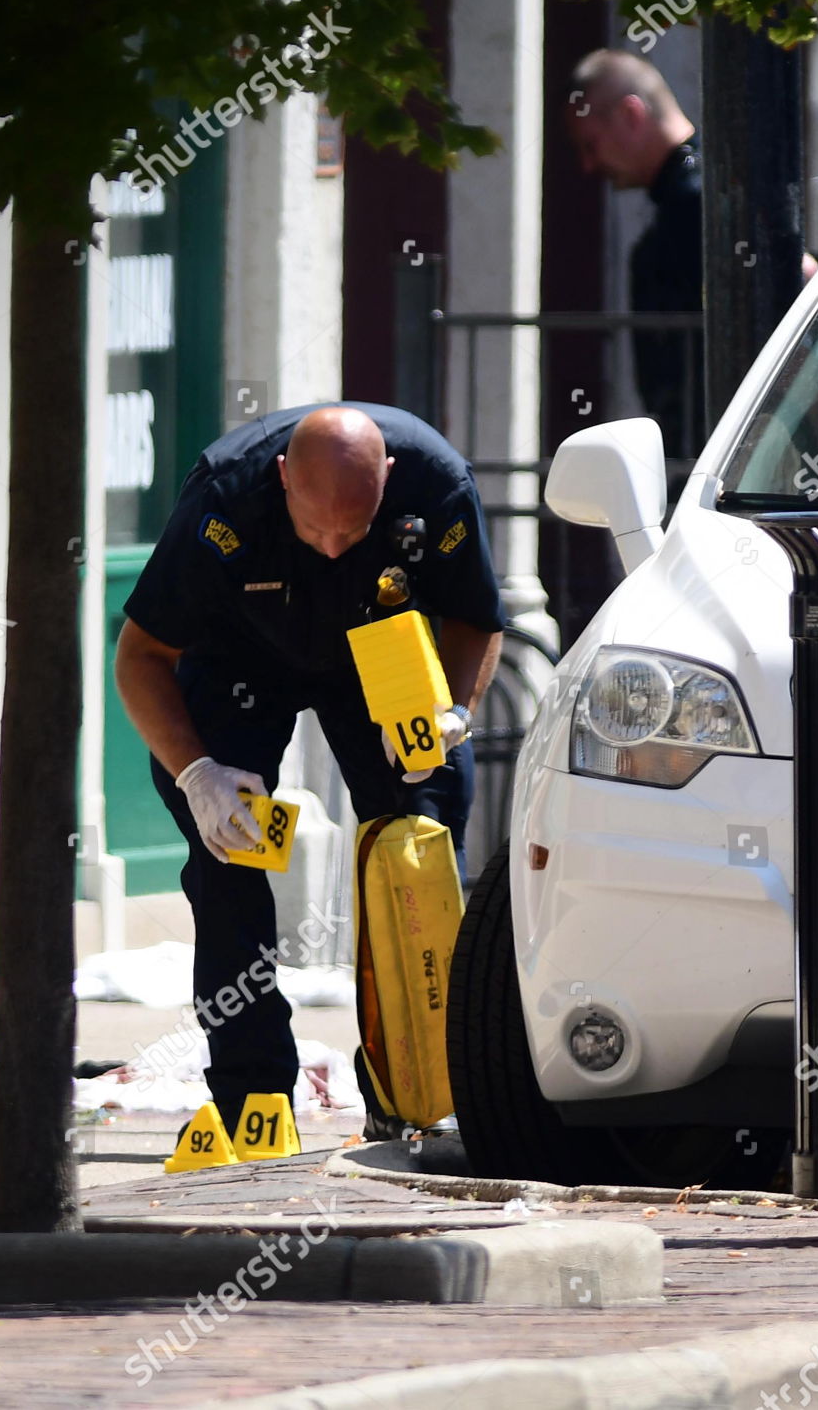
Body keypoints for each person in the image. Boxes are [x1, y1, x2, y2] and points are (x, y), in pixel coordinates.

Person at [114, 403, 505, 1139]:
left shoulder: (438, 481)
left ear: (389, 478)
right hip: (239, 655)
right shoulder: (223, 497)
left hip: (381, 653)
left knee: (415, 846)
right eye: (314, 526)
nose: (331, 547)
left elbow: (475, 616)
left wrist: (453, 712)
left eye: (352, 530)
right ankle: (253, 1099)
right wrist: (198, 772)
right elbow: (139, 657)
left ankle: (411, 1093)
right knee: (227, 856)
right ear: (282, 476)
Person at [567, 48, 704, 466]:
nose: (589, 166)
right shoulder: (696, 198)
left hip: (715, 449)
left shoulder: (700, 204)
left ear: (630, 115)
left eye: (591, 144)